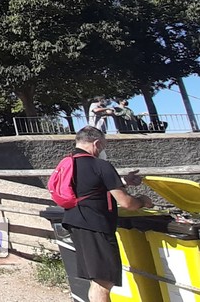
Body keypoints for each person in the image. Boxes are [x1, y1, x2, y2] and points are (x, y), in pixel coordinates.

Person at [62, 127, 152, 302]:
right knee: (103, 282)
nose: (103, 150)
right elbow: (127, 203)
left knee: (96, 280)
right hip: (96, 226)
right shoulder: (100, 165)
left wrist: (124, 181)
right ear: (97, 143)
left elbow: (93, 187)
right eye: (103, 145)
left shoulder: (69, 163)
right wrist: (142, 200)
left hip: (75, 222)